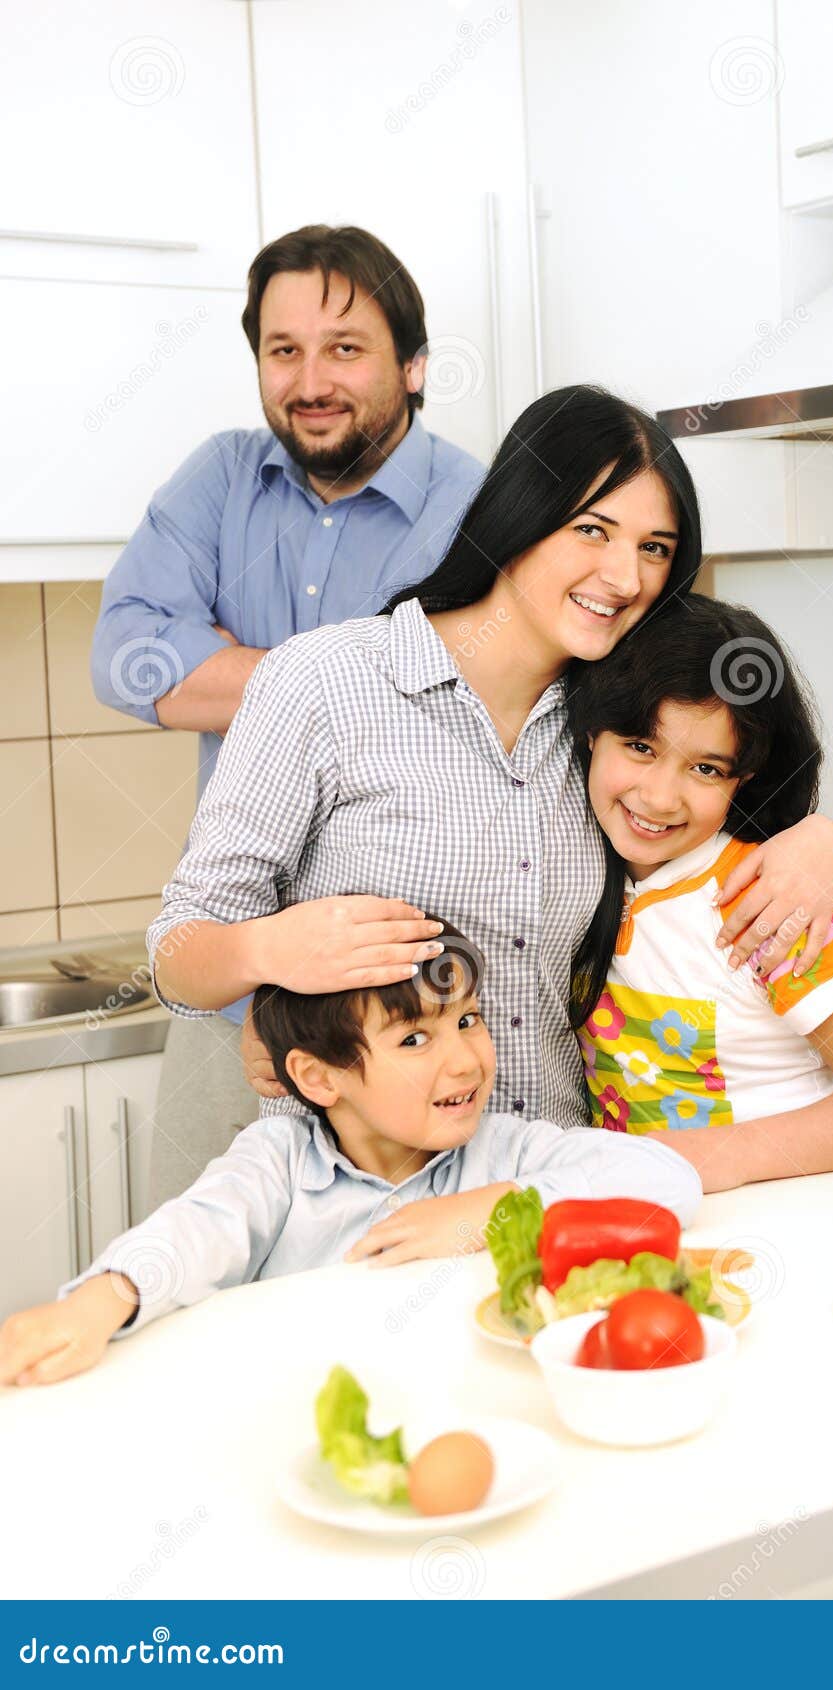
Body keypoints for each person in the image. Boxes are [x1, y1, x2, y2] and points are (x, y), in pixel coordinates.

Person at [146, 386, 833, 1162]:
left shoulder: (616, 725)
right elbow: (178, 957)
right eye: (592, 530)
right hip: (362, 1201)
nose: (623, 575)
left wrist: (819, 839)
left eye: (654, 547)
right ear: (519, 517)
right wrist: (267, 952)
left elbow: (712, 835)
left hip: (550, 1185)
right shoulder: (323, 682)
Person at [91, 225, 487, 1203]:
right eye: (283, 350)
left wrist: (225, 662)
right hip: (224, 984)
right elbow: (125, 656)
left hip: (409, 1016)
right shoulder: (221, 479)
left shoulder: (480, 508)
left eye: (345, 348)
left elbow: (478, 702)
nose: (310, 379)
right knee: (186, 1294)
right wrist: (365, 676)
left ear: (414, 363)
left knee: (392, 1306)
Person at [0, 926, 700, 1388]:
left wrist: (486, 1210)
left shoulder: (505, 1150)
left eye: (467, 1021)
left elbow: (664, 1179)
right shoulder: (278, 1163)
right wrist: (102, 1301)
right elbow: (195, 1230)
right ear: (318, 1077)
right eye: (414, 1041)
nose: (463, 1059)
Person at [567, 594, 833, 1192]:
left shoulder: (778, 898)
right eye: (640, 747)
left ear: (745, 779)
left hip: (783, 1225)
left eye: (706, 769)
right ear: (592, 733)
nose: (661, 797)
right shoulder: (573, 869)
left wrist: (705, 1159)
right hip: (655, 1224)